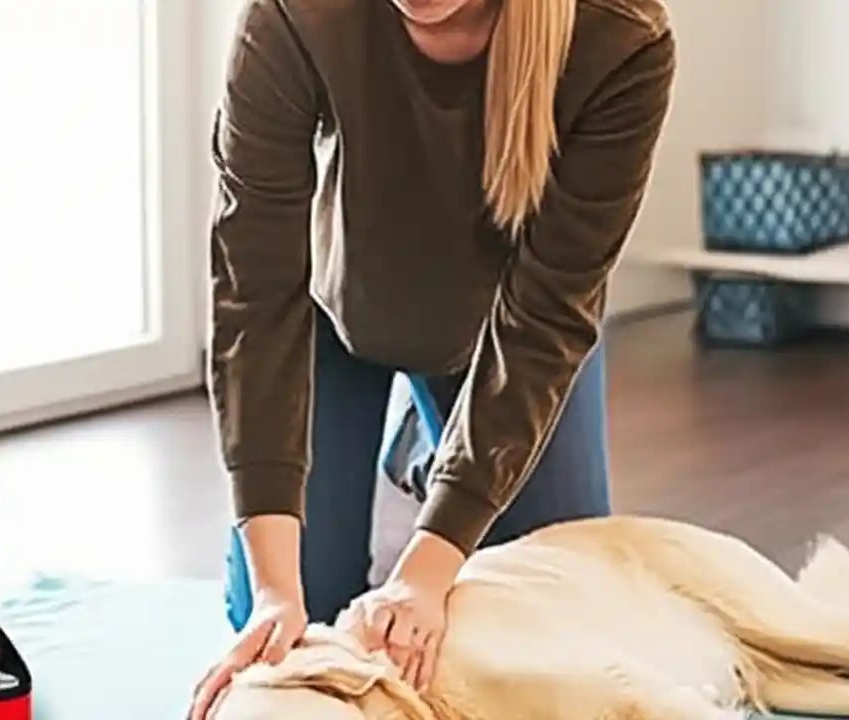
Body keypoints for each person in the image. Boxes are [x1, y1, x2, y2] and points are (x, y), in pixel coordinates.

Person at [191, 0, 676, 716]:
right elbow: (253, 300)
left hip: (508, 336)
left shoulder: (616, 37)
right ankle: (435, 436)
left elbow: (546, 319)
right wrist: (273, 590)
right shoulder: (293, 13)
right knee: (302, 629)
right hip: (340, 315)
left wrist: (430, 562)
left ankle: (438, 447)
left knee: (560, 609)